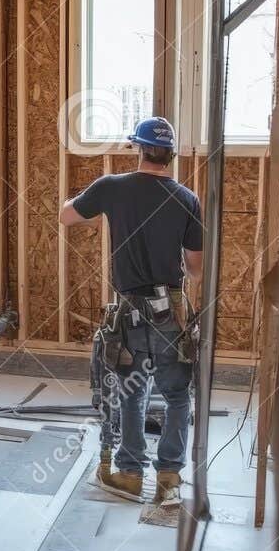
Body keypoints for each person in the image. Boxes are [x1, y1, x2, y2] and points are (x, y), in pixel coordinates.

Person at [59, 117, 204, 506]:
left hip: (131, 314)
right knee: (177, 395)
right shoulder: (187, 199)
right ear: (170, 155)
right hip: (172, 311)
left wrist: (105, 205)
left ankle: (129, 474)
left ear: (137, 149)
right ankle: (170, 479)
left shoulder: (112, 187)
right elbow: (195, 266)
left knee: (132, 393)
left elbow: (67, 215)